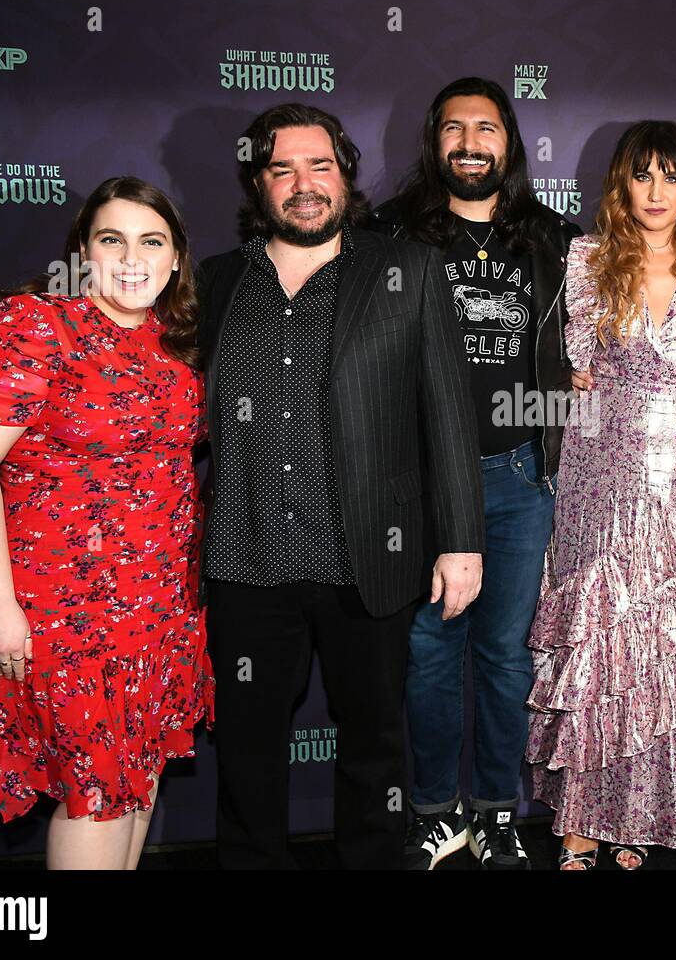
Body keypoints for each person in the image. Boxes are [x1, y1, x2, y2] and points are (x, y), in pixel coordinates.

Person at [196, 103, 484, 870]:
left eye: (319, 164)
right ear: (258, 182)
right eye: (282, 168)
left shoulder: (407, 269)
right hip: (244, 558)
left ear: (345, 174)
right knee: (249, 753)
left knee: (373, 749)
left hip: (369, 555)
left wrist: (460, 540)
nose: (303, 183)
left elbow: (448, 413)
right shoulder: (218, 283)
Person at [0, 176, 214, 869]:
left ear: (176, 257)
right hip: (69, 610)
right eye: (111, 239)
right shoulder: (33, 327)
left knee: (135, 776)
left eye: (152, 240)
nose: (132, 256)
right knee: (98, 790)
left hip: (161, 605)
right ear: (83, 252)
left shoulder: (173, 343)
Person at [527, 121, 676, 870]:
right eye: (642, 175)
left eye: (672, 176)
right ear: (623, 185)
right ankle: (584, 817)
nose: (657, 192)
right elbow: (572, 368)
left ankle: (645, 813)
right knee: (601, 642)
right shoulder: (591, 262)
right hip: (602, 476)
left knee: (666, 650)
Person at [368, 78, 581, 871]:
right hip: (423, 479)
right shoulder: (390, 234)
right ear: (434, 142)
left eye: (485, 127)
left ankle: (496, 808)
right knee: (428, 651)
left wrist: (578, 374)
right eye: (453, 127)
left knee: (505, 655)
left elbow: (603, 333)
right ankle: (433, 809)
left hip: (523, 476)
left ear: (509, 142)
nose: (469, 141)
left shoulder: (555, 239)